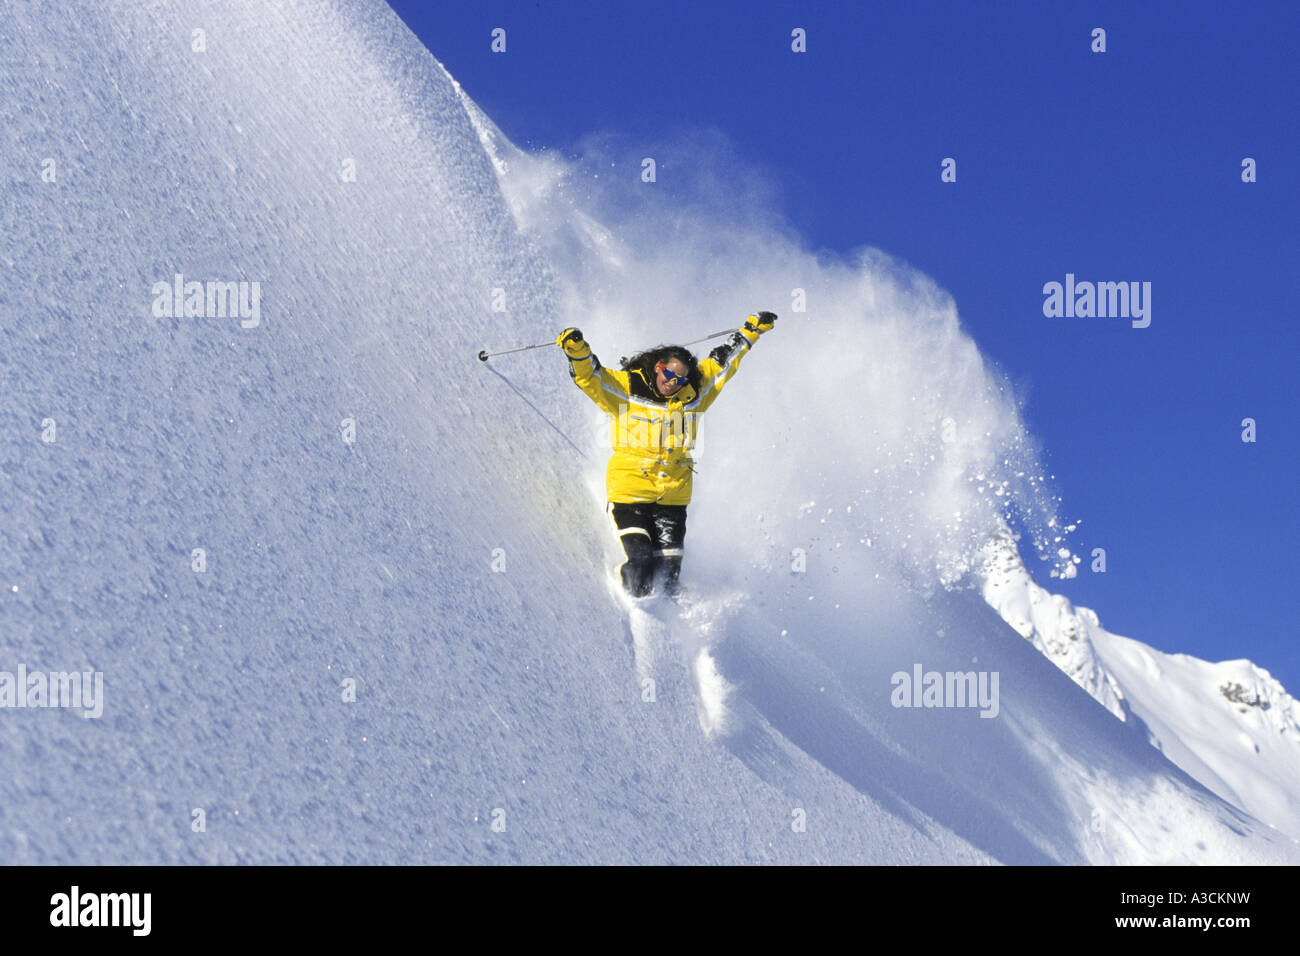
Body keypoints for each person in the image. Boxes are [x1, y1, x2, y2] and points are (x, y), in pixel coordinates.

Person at [556, 312, 778, 597]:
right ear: (658, 367)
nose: (673, 382)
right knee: (641, 566)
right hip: (630, 493)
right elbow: (590, 376)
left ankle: (670, 623)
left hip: (672, 498)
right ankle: (626, 606)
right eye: (669, 374)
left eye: (681, 379)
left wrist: (751, 331)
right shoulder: (627, 390)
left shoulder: (694, 396)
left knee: (669, 575)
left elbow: (724, 362)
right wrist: (577, 351)